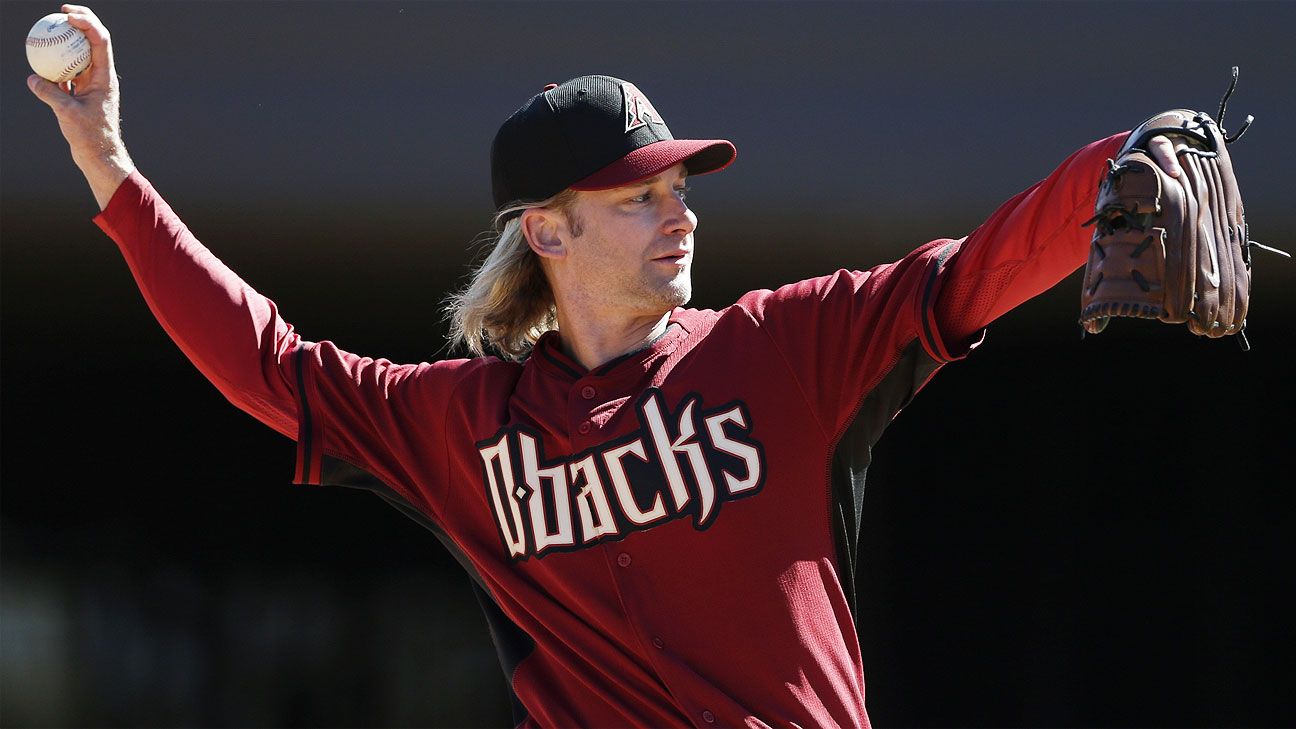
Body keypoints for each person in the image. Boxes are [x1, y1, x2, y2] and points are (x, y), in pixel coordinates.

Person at [28, 5, 1188, 728]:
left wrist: (1103, 177)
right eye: (639, 197)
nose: (678, 215)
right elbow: (267, 364)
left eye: (679, 187)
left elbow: (965, 278)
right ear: (547, 232)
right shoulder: (465, 427)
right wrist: (111, 169)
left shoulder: (780, 347)